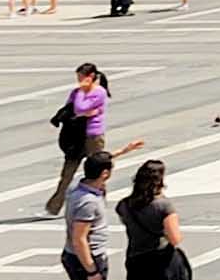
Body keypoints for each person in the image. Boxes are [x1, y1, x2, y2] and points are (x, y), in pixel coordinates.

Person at [47, 62, 115, 215]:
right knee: (67, 173)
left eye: (82, 78)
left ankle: (99, 203)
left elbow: (80, 108)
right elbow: (73, 109)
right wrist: (82, 102)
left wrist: (82, 96)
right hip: (76, 136)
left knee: (97, 171)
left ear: (91, 77)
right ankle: (54, 207)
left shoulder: (99, 92)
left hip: (93, 135)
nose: (79, 81)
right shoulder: (76, 92)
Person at [118, 154, 189, 280]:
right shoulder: (164, 206)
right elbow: (175, 239)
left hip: (136, 261)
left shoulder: (124, 205)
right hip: (160, 261)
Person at [60, 151, 116, 280]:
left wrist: (125, 151)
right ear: (104, 174)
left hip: (75, 255)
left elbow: (96, 163)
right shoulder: (88, 202)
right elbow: (79, 239)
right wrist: (92, 272)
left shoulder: (76, 185)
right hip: (88, 258)